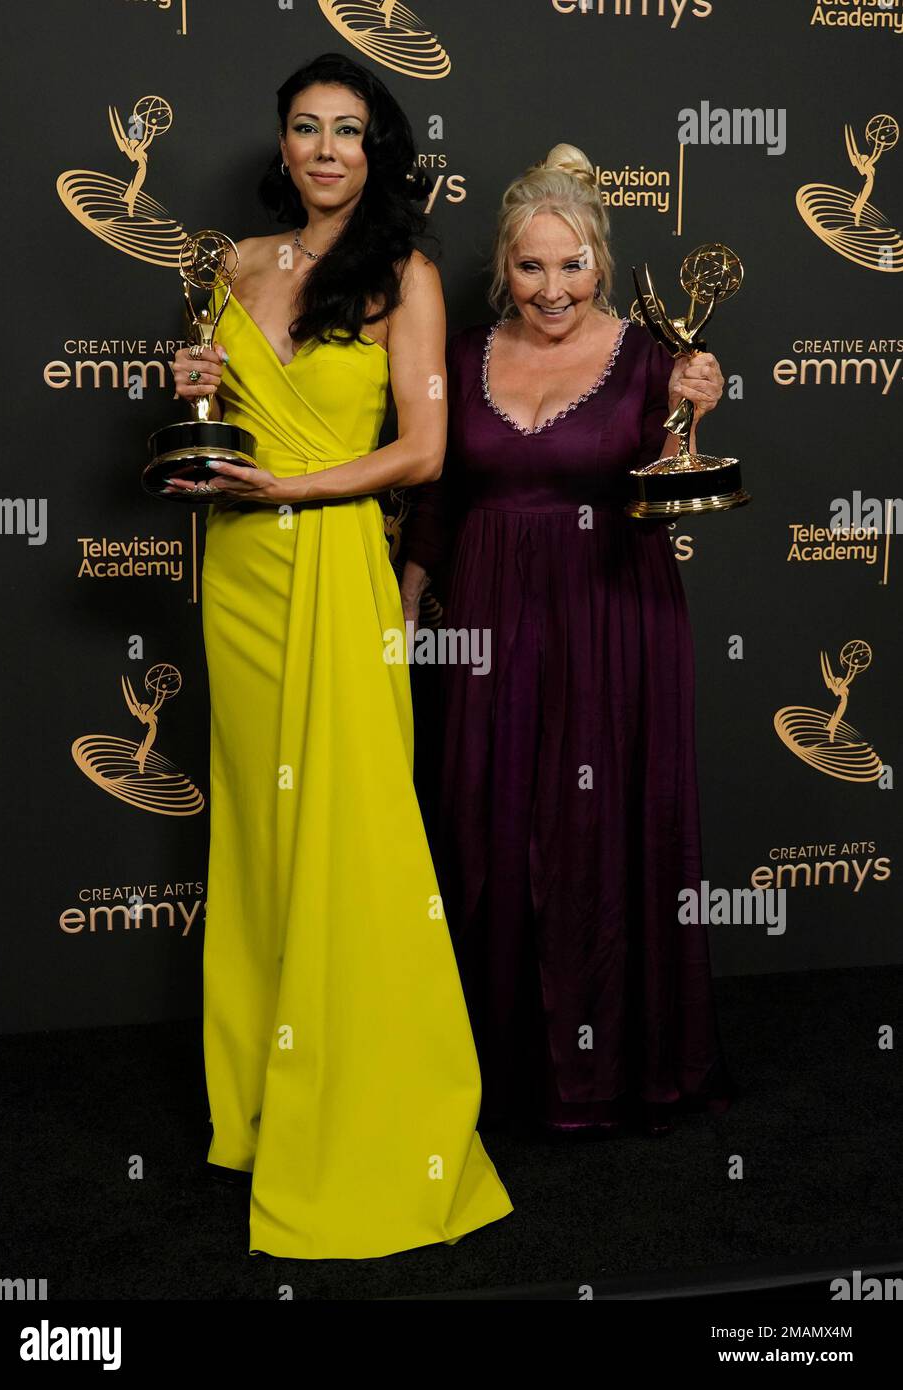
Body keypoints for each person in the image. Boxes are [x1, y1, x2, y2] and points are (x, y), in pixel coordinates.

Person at [167, 53, 512, 1259]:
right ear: (282, 146)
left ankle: (372, 1114)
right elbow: (221, 421)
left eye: (348, 131)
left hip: (330, 562)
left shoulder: (403, 277)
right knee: (263, 842)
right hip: (242, 579)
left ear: (379, 150)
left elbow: (424, 454)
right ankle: (264, 1103)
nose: (325, 150)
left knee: (350, 835)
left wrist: (298, 486)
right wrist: (195, 384)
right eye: (306, 129)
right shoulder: (233, 265)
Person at [400, 144, 738, 1138]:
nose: (554, 288)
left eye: (574, 263)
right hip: (492, 623)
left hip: (613, 619)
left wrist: (694, 402)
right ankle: (496, 1077)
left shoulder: (651, 359)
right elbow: (437, 494)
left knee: (604, 835)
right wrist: (409, 602)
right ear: (502, 267)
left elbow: (678, 485)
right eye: (531, 266)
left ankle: (620, 1070)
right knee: (484, 831)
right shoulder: (461, 357)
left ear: (603, 259)